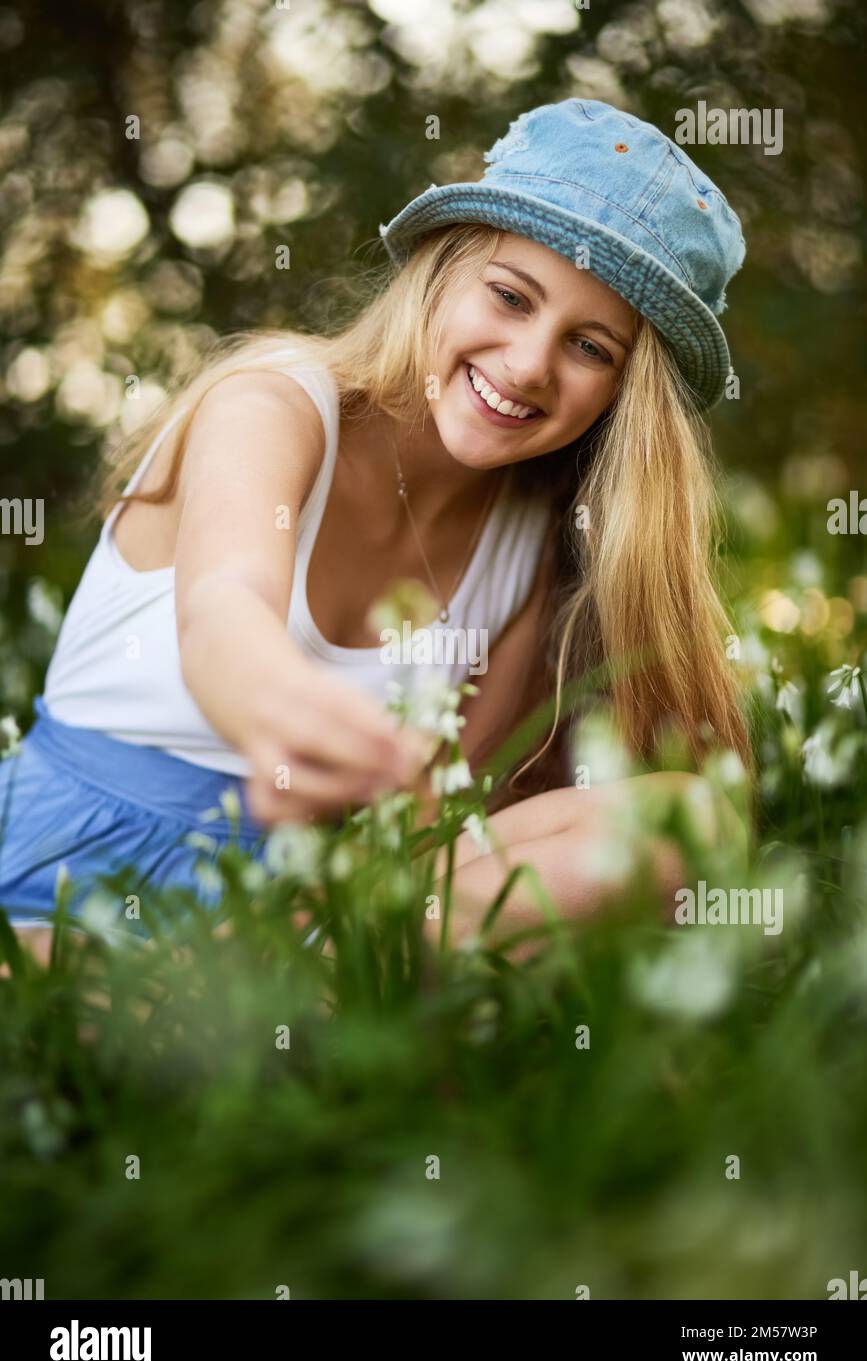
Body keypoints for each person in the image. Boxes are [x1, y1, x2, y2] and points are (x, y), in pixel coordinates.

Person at [0, 97, 752, 952]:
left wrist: (411, 796)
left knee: (687, 822)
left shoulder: (532, 541)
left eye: (590, 348)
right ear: (438, 273)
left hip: (303, 912)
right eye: (509, 297)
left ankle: (262, 992)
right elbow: (222, 614)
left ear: (624, 394)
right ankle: (160, 996)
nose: (530, 362)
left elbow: (435, 824)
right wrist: (286, 713)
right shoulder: (273, 404)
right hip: (68, 879)